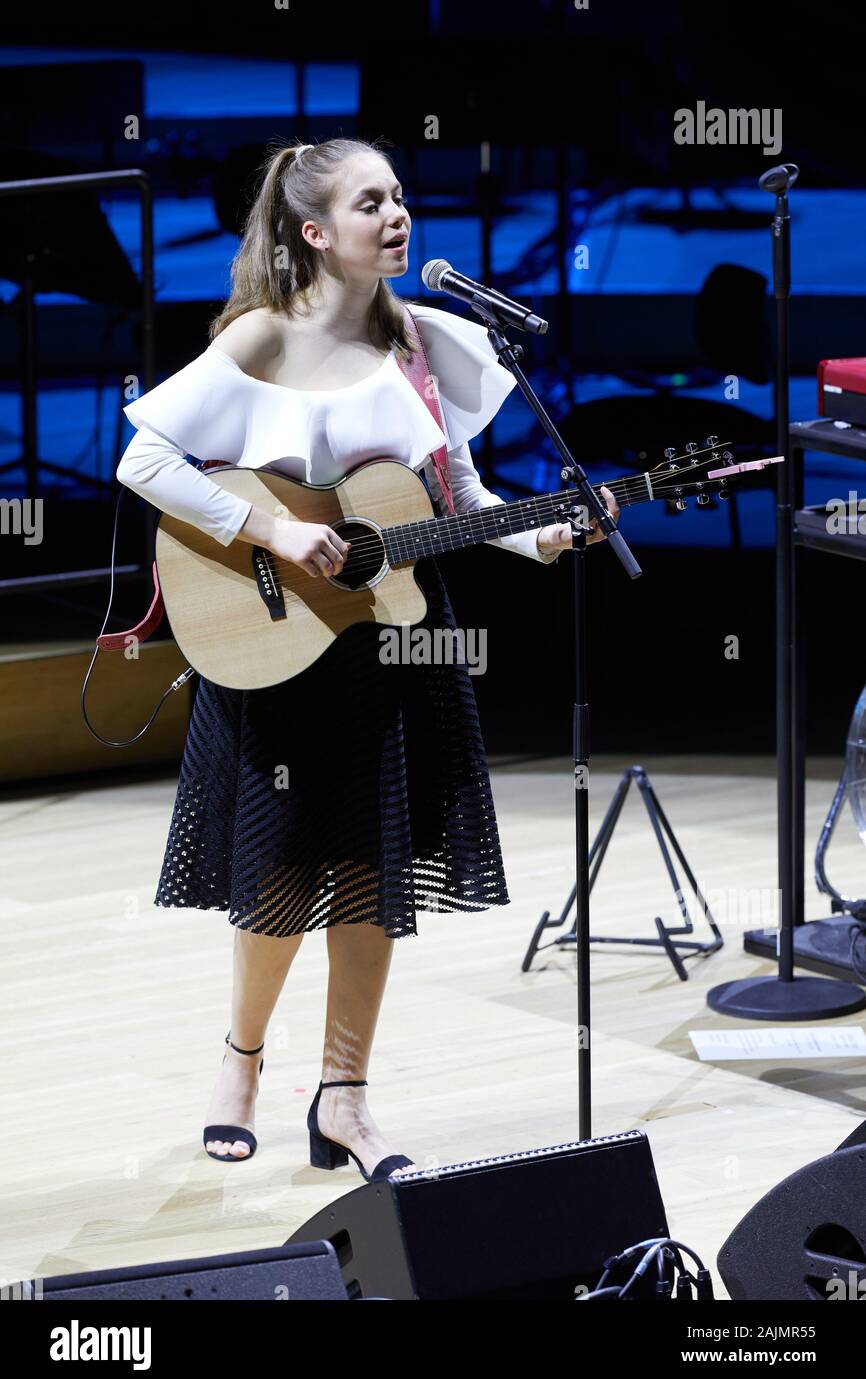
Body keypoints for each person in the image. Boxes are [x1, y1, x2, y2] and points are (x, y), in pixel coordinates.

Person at [116, 136, 619, 1180]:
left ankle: (344, 1096)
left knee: (373, 876)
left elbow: (461, 502)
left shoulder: (423, 348)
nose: (395, 216)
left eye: (398, 196)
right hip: (278, 640)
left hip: (394, 643)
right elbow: (144, 456)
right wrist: (269, 533)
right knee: (280, 872)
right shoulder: (261, 339)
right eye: (367, 202)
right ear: (311, 231)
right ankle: (240, 1061)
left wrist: (543, 535)